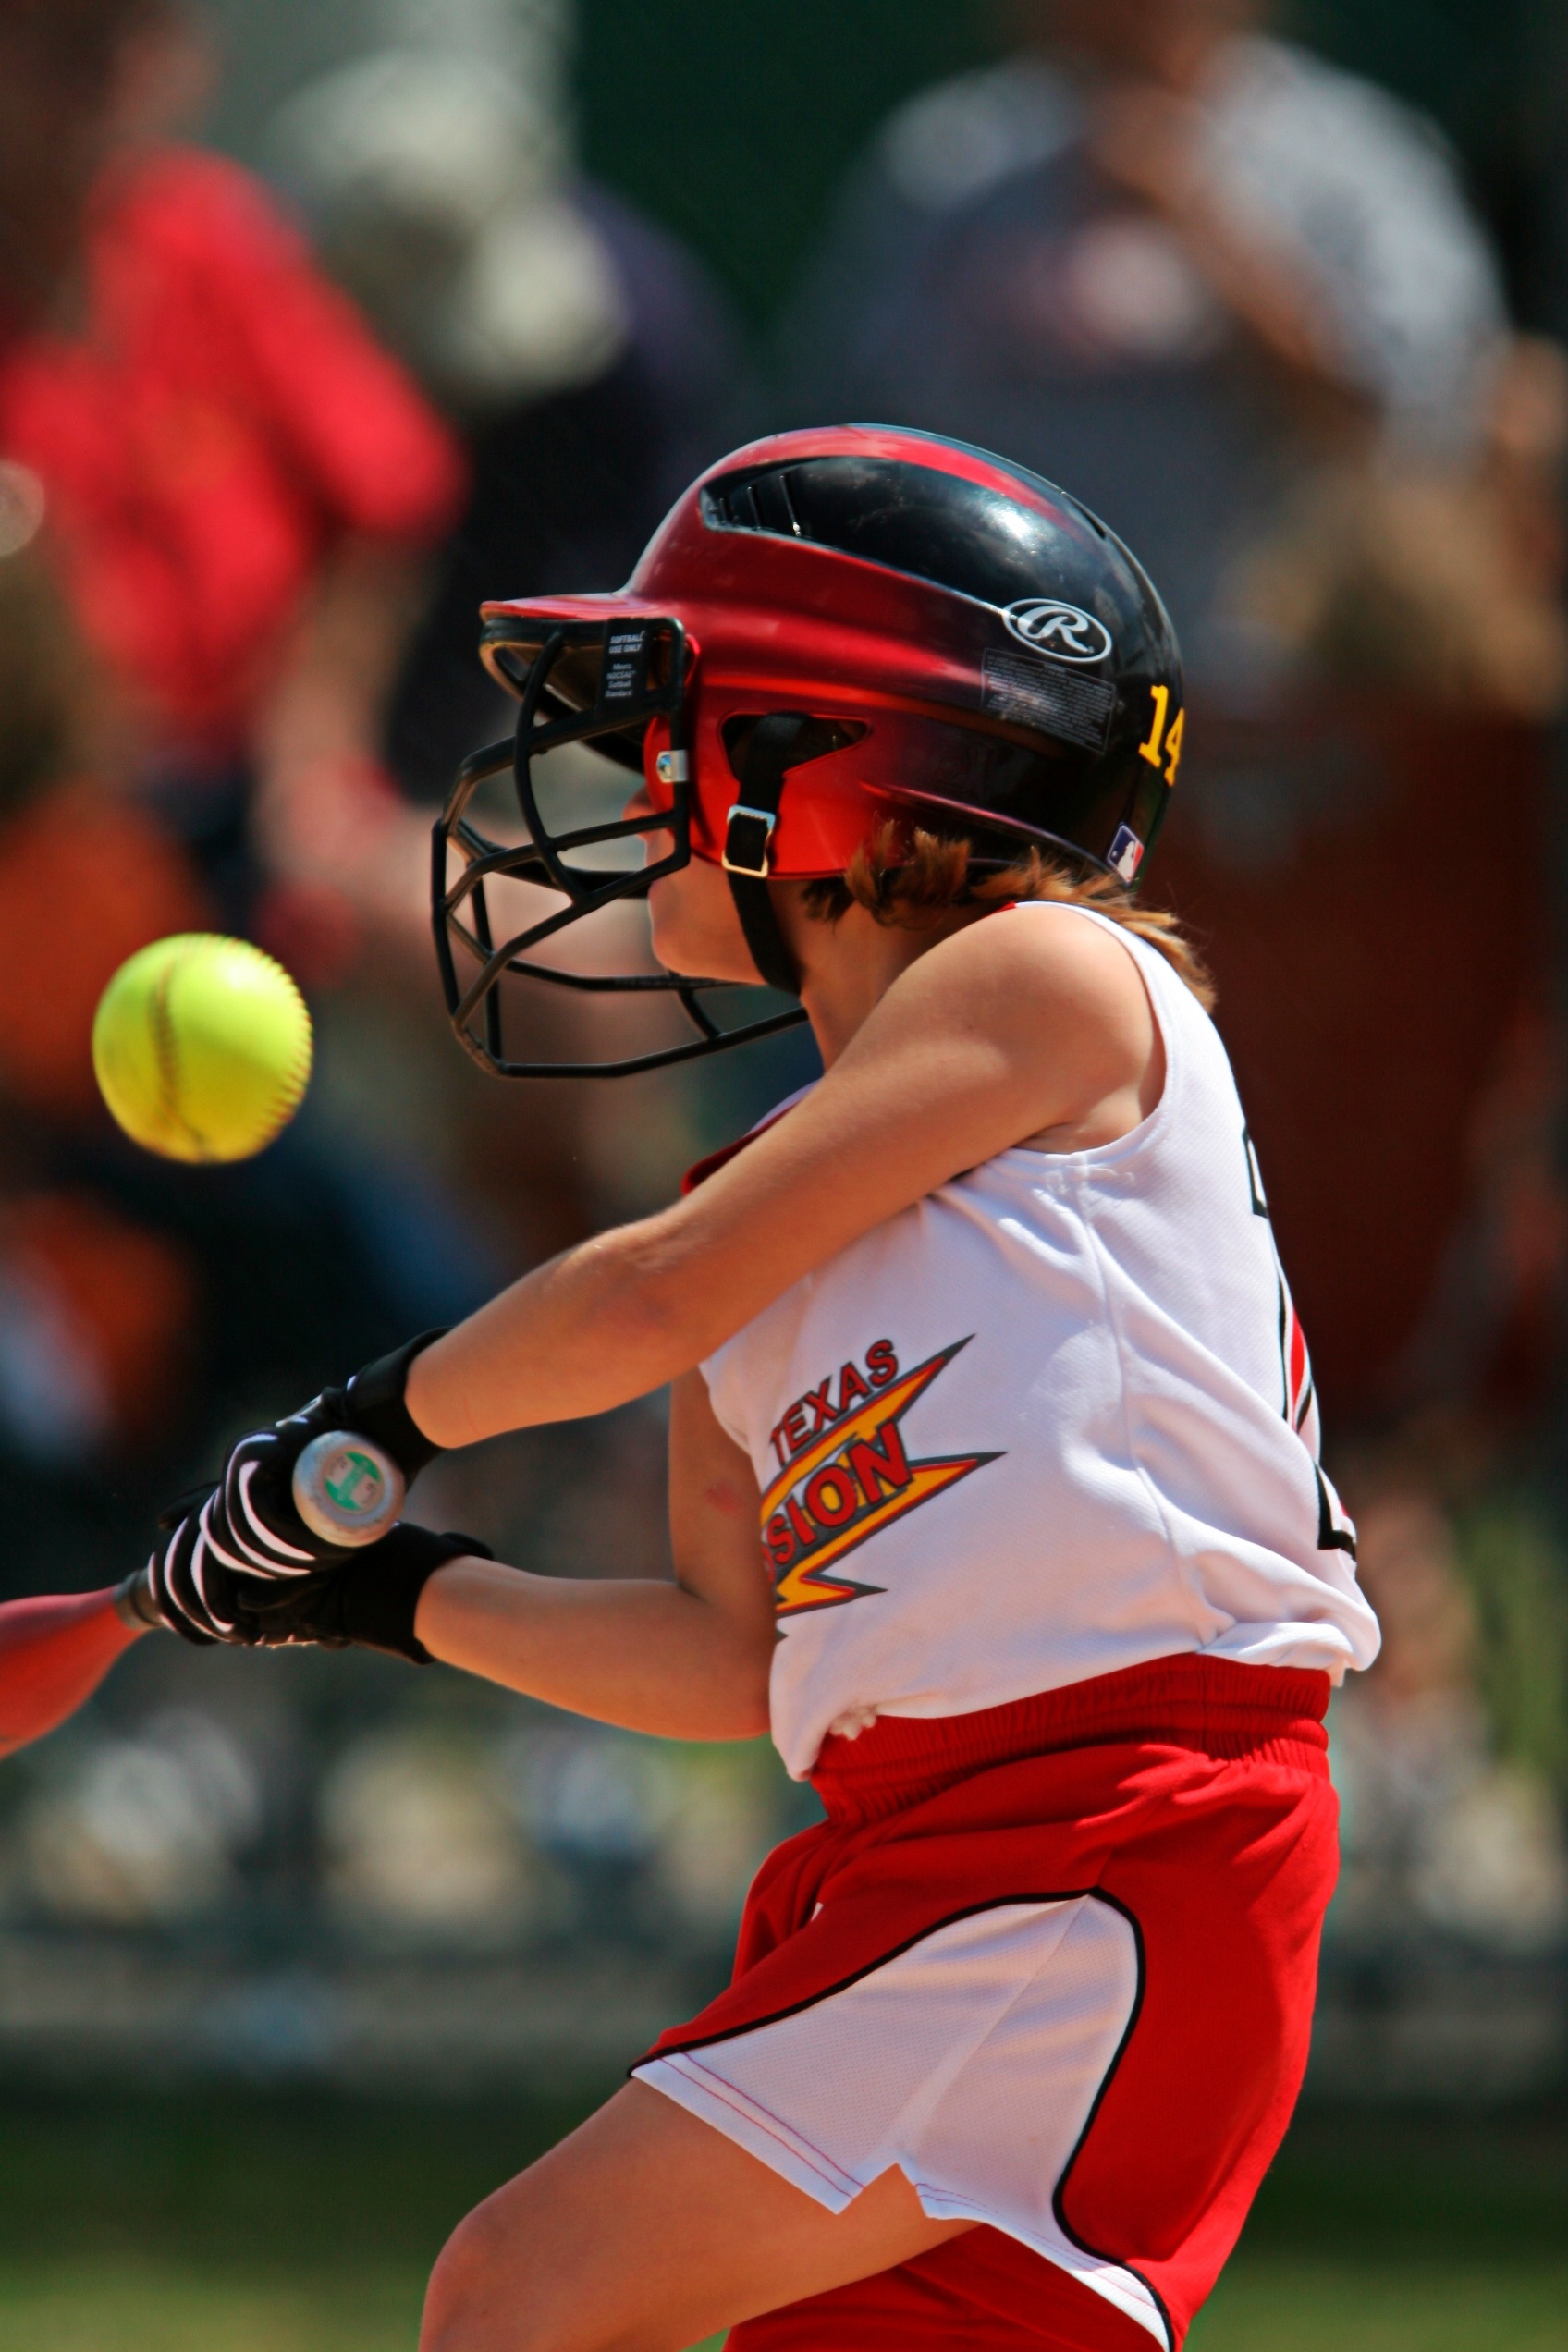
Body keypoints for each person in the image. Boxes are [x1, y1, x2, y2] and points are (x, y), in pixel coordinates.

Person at [140, 427, 1379, 2351]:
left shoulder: (1045, 977)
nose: (633, 791)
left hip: (1107, 1830)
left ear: (842, 748)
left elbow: (645, 1291)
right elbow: (735, 1660)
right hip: (954, 1855)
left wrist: (361, 1436)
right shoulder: (769, 1208)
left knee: (520, 2296)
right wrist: (388, 1591)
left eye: (676, 723)